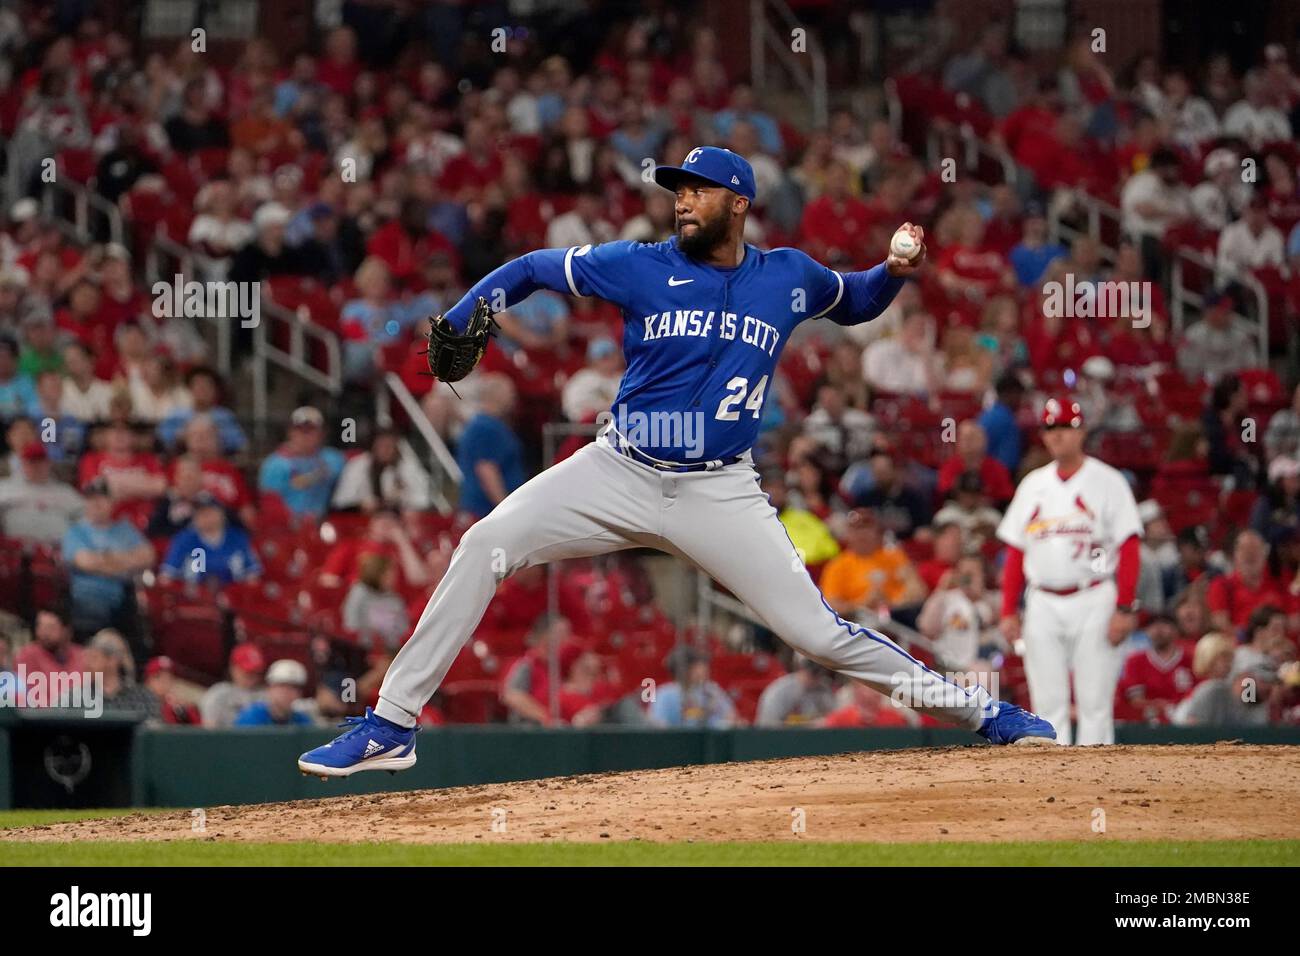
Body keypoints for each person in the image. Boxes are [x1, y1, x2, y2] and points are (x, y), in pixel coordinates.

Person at [300, 145, 1052, 778]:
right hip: (616, 470)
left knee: (820, 634)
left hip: (718, 491)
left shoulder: (787, 275)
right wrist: (473, 312)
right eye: (677, 190)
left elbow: (852, 301)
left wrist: (893, 270)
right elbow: (532, 266)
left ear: (739, 203)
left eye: (697, 190)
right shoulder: (638, 265)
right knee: (482, 545)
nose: (682, 202)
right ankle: (393, 724)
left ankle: (987, 713)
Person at [997, 397, 1143, 745]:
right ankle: (1055, 787)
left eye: (1066, 426)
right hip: (1043, 601)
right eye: (1051, 428)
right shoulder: (1033, 484)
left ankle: (1097, 785)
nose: (1058, 435)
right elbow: (1016, 552)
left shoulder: (1108, 481)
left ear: (1082, 431)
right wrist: (1007, 610)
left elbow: (1129, 546)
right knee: (1048, 705)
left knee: (1095, 704)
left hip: (1094, 595)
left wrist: (1124, 607)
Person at [62, 478, 154, 649]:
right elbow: (85, 562)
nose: (97, 503)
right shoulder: (76, 531)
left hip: (123, 601)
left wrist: (104, 561)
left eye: (102, 498)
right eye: (92, 499)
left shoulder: (124, 529)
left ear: (111, 502)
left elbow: (148, 556)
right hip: (86, 600)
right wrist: (125, 562)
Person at [818, 508, 928, 621]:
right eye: (856, 529)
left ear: (877, 531)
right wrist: (864, 603)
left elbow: (918, 591)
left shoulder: (894, 556)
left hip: (898, 617)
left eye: (866, 528)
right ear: (848, 534)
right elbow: (831, 606)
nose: (861, 533)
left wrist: (893, 602)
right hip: (859, 622)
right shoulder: (837, 565)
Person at [455, 374, 526, 519]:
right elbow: (486, 470)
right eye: (510, 393)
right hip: (485, 512)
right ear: (496, 396)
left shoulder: (491, 425)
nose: (514, 398)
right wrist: (505, 509)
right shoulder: (486, 427)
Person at [258, 406, 345, 521]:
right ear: (290, 432)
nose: (305, 435)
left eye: (311, 430)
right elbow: (270, 503)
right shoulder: (274, 464)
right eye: (300, 430)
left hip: (325, 524)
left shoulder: (333, 458)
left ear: (322, 433)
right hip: (288, 526)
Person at [917, 553, 998, 672]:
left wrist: (979, 597)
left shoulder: (994, 599)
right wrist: (941, 589)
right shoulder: (946, 598)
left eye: (972, 573)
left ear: (983, 575)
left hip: (984, 667)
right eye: (964, 573)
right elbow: (926, 628)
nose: (967, 579)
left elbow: (1001, 628)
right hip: (948, 667)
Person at [159, 493, 262, 587]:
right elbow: (167, 576)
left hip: (234, 599)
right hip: (195, 601)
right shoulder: (183, 540)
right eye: (200, 513)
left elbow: (252, 575)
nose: (204, 517)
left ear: (221, 514)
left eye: (209, 512)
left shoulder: (238, 538)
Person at [1113, 614, 1196, 724]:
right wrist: (1160, 707)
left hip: (1184, 719)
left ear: (1176, 629)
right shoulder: (1135, 661)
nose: (1158, 629)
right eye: (1152, 625)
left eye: (1165, 624)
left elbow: (1196, 696)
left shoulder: (1190, 659)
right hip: (1147, 722)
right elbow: (1136, 700)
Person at [1206, 529, 1290, 634]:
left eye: (1254, 548)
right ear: (1234, 555)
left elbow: (1293, 618)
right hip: (1243, 645)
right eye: (1244, 549)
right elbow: (1220, 624)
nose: (1250, 554)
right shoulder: (1221, 585)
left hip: (1282, 643)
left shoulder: (1281, 580)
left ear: (1264, 553)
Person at [331, 428, 432, 514]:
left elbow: (423, 501)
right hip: (362, 521)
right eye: (381, 445)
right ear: (373, 446)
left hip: (400, 520)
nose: (385, 450)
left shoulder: (409, 467)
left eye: (389, 446)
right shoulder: (357, 466)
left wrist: (402, 502)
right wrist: (360, 505)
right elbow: (341, 502)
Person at [0, 442, 84, 543]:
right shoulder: (5, 488)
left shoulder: (65, 491)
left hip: (56, 550)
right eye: (31, 462)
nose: (36, 466)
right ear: (23, 464)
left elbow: (87, 518)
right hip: (14, 551)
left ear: (49, 463)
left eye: (40, 462)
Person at [647, 645, 735, 728]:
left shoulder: (711, 690)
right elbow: (658, 725)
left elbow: (731, 718)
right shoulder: (664, 694)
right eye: (697, 666)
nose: (704, 669)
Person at [755, 657, 838, 727]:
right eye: (811, 673)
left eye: (818, 674)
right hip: (783, 738)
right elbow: (768, 724)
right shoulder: (780, 690)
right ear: (800, 669)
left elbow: (833, 717)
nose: (815, 678)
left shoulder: (824, 689)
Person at [199, 643, 266, 728]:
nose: (253, 676)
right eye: (247, 672)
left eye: (256, 672)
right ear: (233, 669)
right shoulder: (218, 695)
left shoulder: (266, 696)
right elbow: (209, 731)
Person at [234, 659, 313, 726]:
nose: (287, 693)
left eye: (294, 688)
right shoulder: (251, 717)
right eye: (282, 686)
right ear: (269, 688)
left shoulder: (302, 721)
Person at [14, 610, 85, 684]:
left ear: (66, 630)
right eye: (40, 627)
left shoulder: (81, 655)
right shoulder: (27, 655)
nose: (44, 633)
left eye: (50, 628)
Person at [143, 656, 200, 725]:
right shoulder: (141, 704)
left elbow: (199, 729)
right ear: (147, 681)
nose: (164, 681)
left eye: (168, 677)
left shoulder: (179, 707)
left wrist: (181, 711)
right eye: (158, 677)